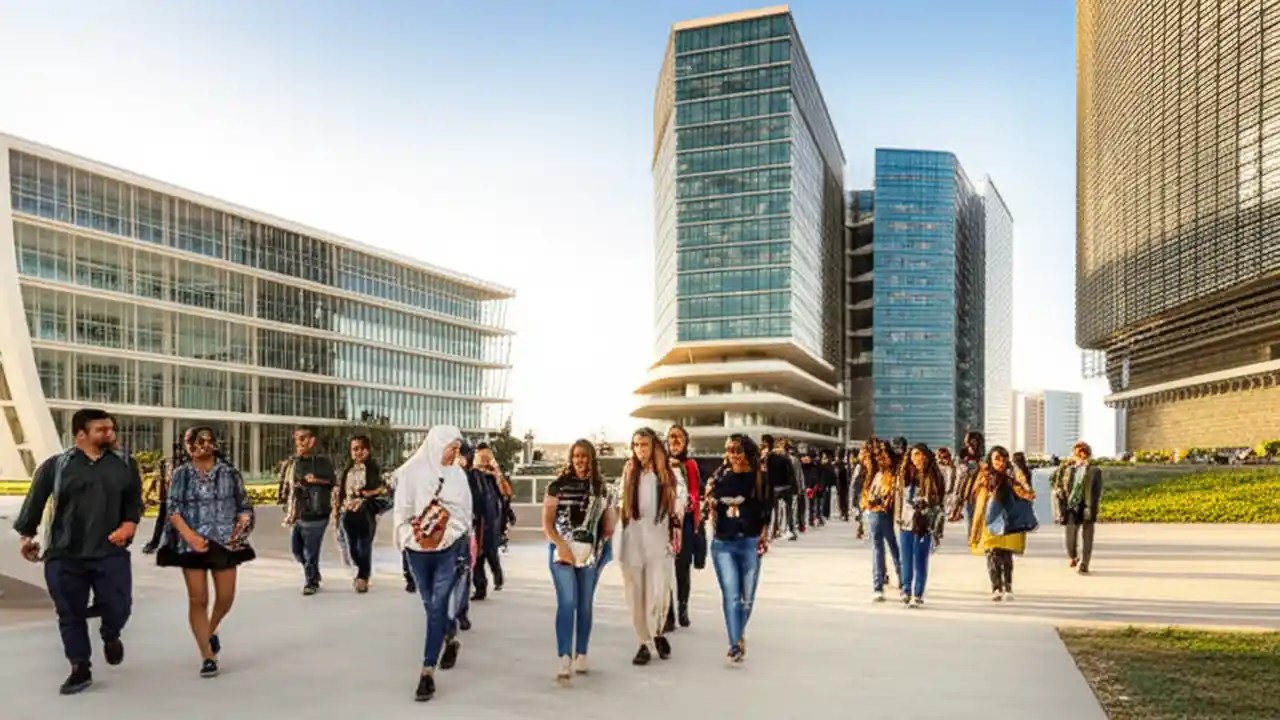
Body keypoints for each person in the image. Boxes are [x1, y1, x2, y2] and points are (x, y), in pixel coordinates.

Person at [13, 408, 142, 695]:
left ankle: (111, 633)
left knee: (118, 605)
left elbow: (134, 502)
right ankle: (79, 667)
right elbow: (34, 504)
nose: (110, 434)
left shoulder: (124, 464)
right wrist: (26, 538)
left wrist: (129, 525)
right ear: (81, 435)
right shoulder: (56, 466)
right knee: (69, 612)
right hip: (64, 554)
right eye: (102, 430)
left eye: (111, 428)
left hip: (110, 551)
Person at [157, 426, 255, 677]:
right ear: (187, 446)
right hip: (191, 542)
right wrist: (189, 536)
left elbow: (244, 505)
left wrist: (240, 527)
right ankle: (207, 655)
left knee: (225, 596)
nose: (200, 446)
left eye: (206, 441)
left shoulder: (229, 473)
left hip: (225, 541)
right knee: (198, 598)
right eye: (194, 442)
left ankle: (210, 630)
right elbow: (173, 508)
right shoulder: (181, 474)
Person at [394, 425, 474, 703]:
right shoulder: (410, 474)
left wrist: (444, 532)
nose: (454, 454)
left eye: (456, 449)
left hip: (448, 549)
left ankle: (427, 671)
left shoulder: (458, 476)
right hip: (418, 552)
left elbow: (465, 515)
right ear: (436, 445)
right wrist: (416, 536)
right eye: (451, 448)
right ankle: (450, 636)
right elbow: (402, 513)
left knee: (438, 603)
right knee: (430, 604)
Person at [543, 439, 618, 685]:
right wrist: (562, 546)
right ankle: (564, 656)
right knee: (567, 601)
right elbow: (548, 525)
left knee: (584, 604)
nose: (580, 460)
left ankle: (581, 653)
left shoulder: (602, 489)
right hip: (561, 552)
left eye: (584, 456)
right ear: (570, 458)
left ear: (592, 459)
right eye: (576, 456)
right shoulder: (557, 486)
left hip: (589, 554)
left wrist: (606, 528)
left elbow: (607, 528)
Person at [615, 427, 684, 666]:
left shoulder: (669, 472)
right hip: (633, 538)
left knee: (658, 592)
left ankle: (657, 632)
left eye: (644, 445)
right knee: (635, 593)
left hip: (658, 539)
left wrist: (677, 517)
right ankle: (643, 642)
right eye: (636, 445)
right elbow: (621, 501)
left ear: (654, 446)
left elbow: (679, 501)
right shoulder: (629, 470)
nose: (640, 450)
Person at [704, 434, 772, 664]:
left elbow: (767, 509)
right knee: (732, 595)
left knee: (747, 599)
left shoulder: (759, 478)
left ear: (748, 453)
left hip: (750, 542)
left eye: (737, 450)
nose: (732, 455)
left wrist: (764, 533)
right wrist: (711, 500)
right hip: (724, 542)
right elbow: (708, 502)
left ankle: (739, 631)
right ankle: (734, 643)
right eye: (729, 450)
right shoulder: (720, 476)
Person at [967, 447, 1036, 601]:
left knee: (1006, 554)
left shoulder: (1013, 475)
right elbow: (973, 496)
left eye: (1003, 458)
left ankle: (1008, 585)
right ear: (990, 459)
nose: (1000, 462)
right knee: (992, 553)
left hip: (1009, 520)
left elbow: (1028, 493)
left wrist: (1020, 483)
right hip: (989, 520)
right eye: (997, 458)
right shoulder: (983, 476)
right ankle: (996, 587)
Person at [281, 427, 338, 595]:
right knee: (297, 551)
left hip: (316, 513)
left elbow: (332, 482)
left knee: (310, 551)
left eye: (303, 438)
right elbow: (287, 486)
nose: (299, 442)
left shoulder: (322, 462)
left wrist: (316, 481)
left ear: (312, 441)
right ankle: (314, 572)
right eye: (297, 438)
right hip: (297, 514)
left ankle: (311, 581)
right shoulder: (293, 462)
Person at [894, 444, 945, 607]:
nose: (918, 458)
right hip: (906, 521)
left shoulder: (934, 475)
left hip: (924, 522)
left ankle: (918, 593)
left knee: (920, 559)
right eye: (915, 454)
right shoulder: (904, 475)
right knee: (906, 558)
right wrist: (897, 516)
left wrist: (928, 504)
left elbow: (941, 499)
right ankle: (906, 590)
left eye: (921, 454)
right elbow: (898, 497)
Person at [664, 425, 703, 632]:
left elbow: (696, 491)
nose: (675, 441)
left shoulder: (690, 464)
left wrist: (690, 503)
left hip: (685, 521)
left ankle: (683, 607)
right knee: (665, 569)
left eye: (679, 437)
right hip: (665, 522)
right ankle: (668, 612)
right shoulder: (661, 464)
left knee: (682, 567)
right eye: (671, 437)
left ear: (686, 441)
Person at [337, 435, 386, 594]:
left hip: (365, 512)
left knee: (364, 545)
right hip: (347, 511)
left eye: (360, 449)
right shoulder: (347, 470)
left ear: (367, 450)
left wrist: (365, 495)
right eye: (354, 449)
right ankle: (360, 570)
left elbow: (382, 489)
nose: (357, 452)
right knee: (351, 547)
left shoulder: (373, 469)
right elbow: (342, 492)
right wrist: (338, 509)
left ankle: (363, 577)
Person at [1055, 442, 1103, 574]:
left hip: (1087, 505)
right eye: (1078, 453)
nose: (1081, 455)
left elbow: (1097, 491)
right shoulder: (1068, 469)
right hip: (1071, 506)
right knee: (1070, 537)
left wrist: (1093, 507)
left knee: (1087, 536)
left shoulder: (1094, 471)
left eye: (1084, 452)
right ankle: (1073, 556)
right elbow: (1059, 485)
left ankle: (1085, 563)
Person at [863, 442, 902, 601]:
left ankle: (897, 582)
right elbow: (866, 492)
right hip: (875, 512)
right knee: (882, 547)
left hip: (884, 512)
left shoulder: (890, 474)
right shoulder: (876, 473)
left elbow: (891, 494)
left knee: (889, 547)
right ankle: (882, 584)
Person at [142, 435, 190, 554]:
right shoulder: (168, 463)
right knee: (162, 519)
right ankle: (155, 543)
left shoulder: (189, 463)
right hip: (169, 496)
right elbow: (164, 480)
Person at [471, 443, 506, 600]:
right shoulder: (472, 474)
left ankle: (497, 575)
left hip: (491, 518)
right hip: (476, 519)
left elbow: (505, 494)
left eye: (487, 457)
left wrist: (497, 472)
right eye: (482, 456)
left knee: (490, 551)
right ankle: (480, 588)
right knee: (476, 554)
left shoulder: (493, 476)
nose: (484, 460)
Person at [762, 435, 797, 541]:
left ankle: (773, 531)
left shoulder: (769, 457)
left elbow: (768, 474)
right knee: (788, 510)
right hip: (786, 486)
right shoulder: (786, 458)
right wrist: (794, 487)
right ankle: (789, 530)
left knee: (774, 510)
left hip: (775, 487)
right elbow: (791, 474)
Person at [950, 430, 985, 524]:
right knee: (970, 514)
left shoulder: (982, 454)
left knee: (979, 515)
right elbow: (959, 468)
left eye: (975, 440)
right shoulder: (962, 453)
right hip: (965, 485)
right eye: (971, 440)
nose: (973, 443)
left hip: (979, 485)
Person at [835, 449, 852, 521]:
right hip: (844, 485)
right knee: (844, 500)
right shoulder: (844, 465)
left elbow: (838, 476)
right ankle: (845, 513)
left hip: (842, 485)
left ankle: (844, 513)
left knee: (842, 500)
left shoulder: (840, 465)